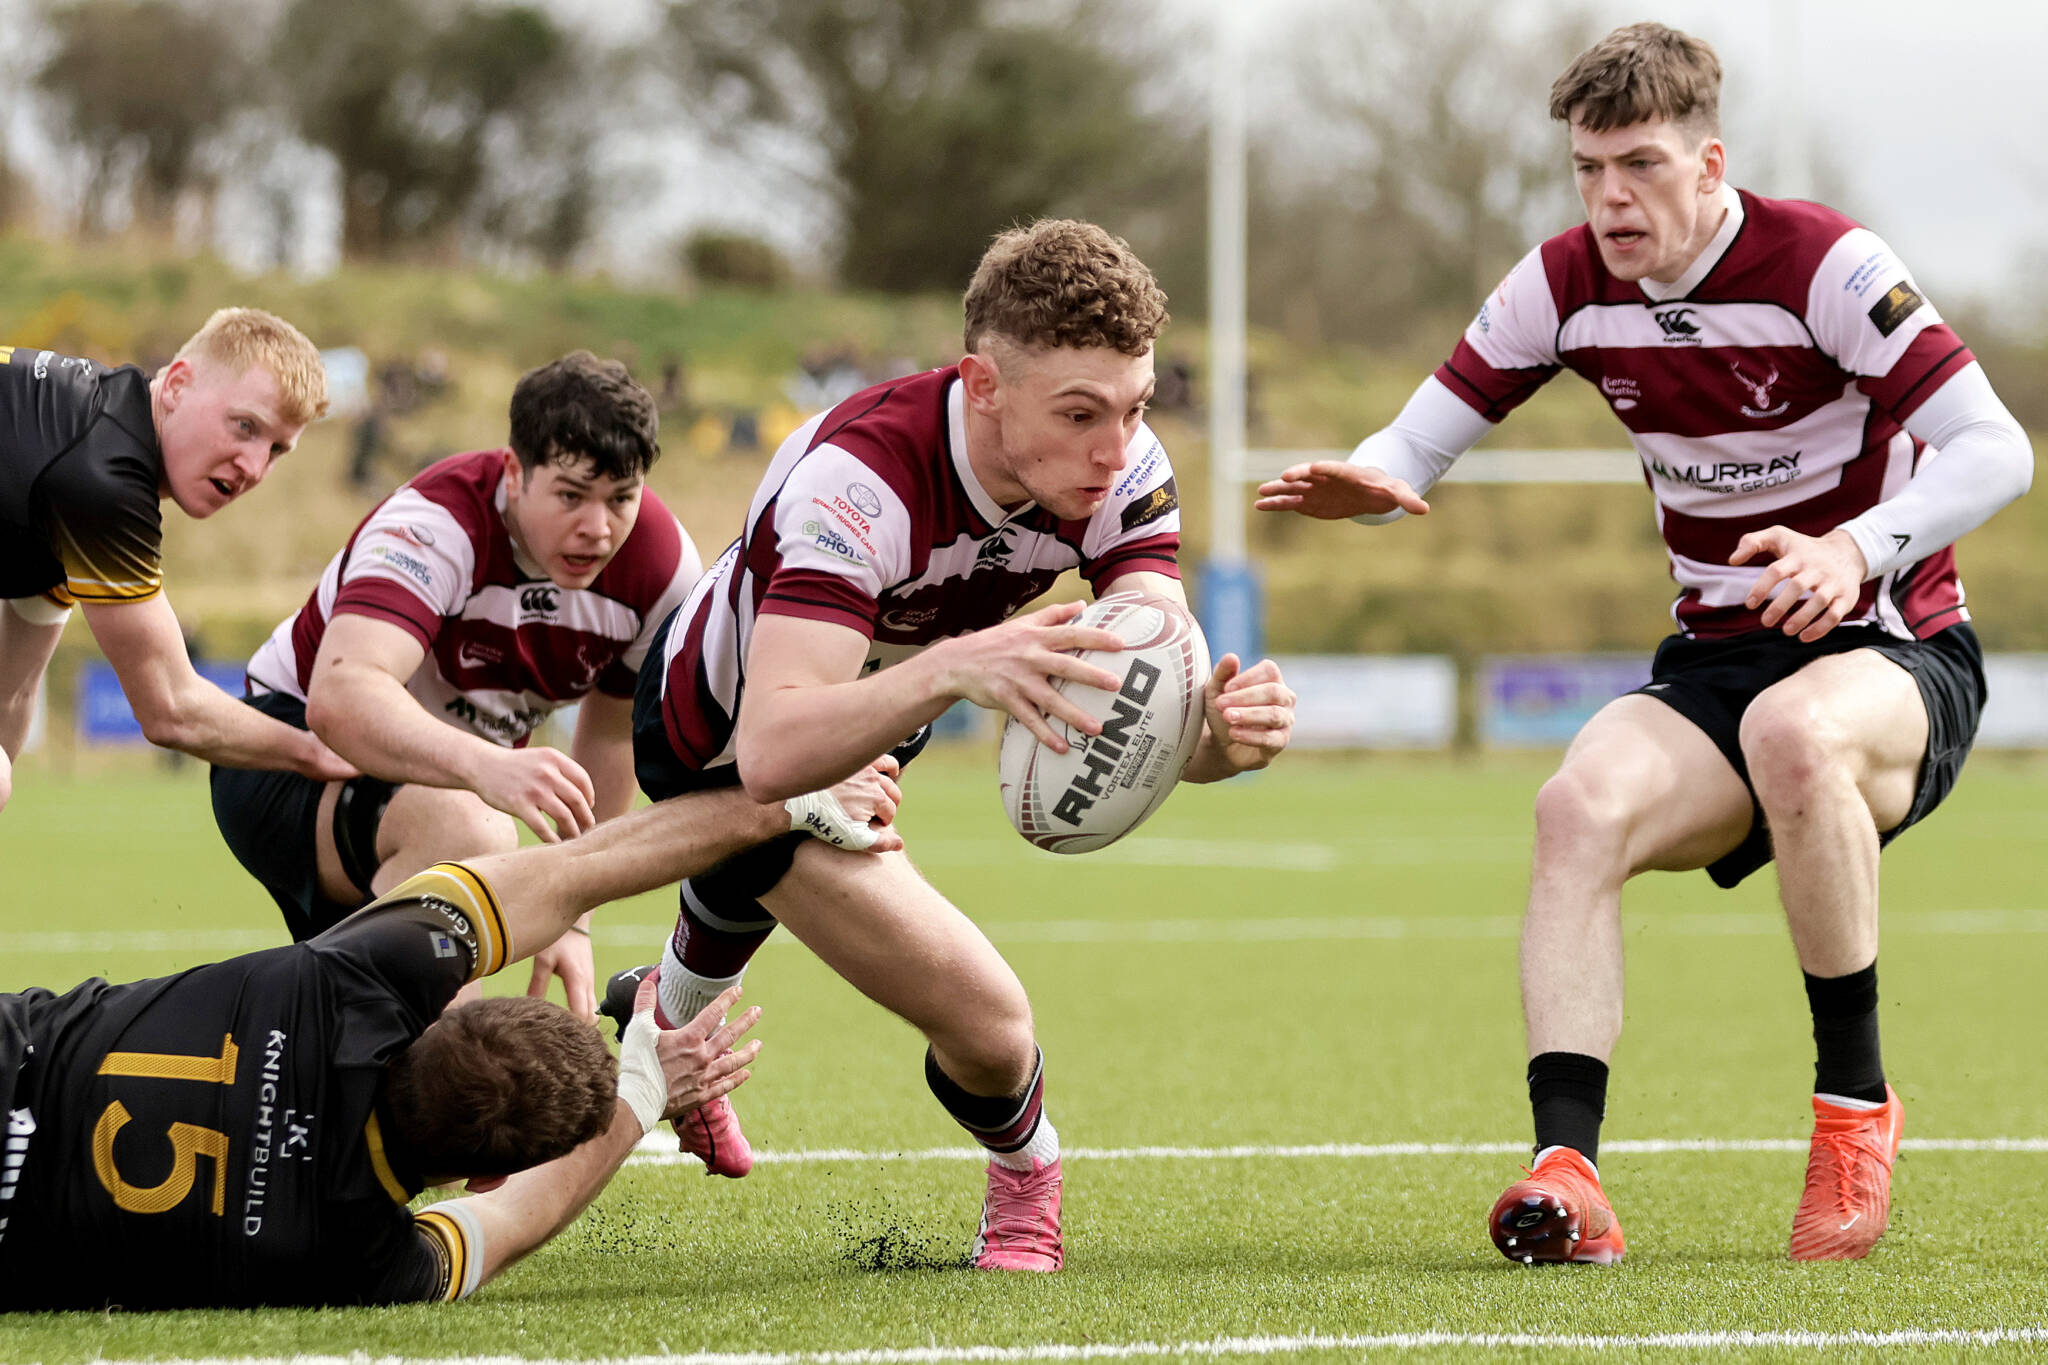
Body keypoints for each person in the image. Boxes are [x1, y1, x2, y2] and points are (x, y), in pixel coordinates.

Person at [1256, 23, 2032, 1264]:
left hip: (1894, 652)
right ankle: (1568, 1172)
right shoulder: (1563, 281)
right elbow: (1415, 440)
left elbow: (1998, 448)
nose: (1611, 197)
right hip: (1716, 661)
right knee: (1575, 809)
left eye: (1641, 165)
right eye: (1587, 169)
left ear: (1709, 161)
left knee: (1795, 730)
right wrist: (1370, 478)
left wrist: (1851, 550)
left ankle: (1851, 1114)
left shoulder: (1826, 264)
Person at [624, 219, 1296, 1271]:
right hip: (719, 726)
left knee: (761, 889)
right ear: (982, 384)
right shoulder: (864, 479)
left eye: (1135, 407)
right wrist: (944, 669)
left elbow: (1143, 717)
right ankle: (1029, 1175)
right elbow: (770, 749)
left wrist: (1216, 738)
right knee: (989, 1020)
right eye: (1078, 413)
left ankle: (662, 1028)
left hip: (874, 701)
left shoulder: (1118, 468)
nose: (1115, 449)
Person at [0, 758, 902, 1311]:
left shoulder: (344, 983)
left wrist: (784, 805)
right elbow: (515, 1218)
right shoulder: (356, 1255)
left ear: (448, 1010)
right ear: (471, 1167)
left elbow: (581, 866)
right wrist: (644, 1093)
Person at [209, 351, 702, 1021]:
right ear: (515, 473)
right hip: (286, 754)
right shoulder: (435, 527)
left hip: (435, 792)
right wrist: (486, 766)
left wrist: (572, 907)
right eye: (570, 496)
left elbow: (610, 736)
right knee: (474, 830)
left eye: (621, 497)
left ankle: (351, 1057)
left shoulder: (661, 567)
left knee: (466, 836)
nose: (598, 527)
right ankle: (425, 1082)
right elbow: (342, 696)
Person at [0, 309, 353, 816]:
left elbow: (11, 690)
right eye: (245, 426)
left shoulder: (69, 444)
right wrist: (316, 751)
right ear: (177, 387)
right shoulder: (102, 478)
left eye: (276, 449)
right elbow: (170, 708)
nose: (254, 467)